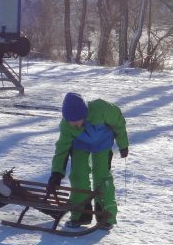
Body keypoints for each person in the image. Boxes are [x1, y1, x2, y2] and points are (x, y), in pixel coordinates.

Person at [47, 93, 129, 229]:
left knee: (102, 176)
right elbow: (62, 149)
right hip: (80, 145)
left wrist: (123, 144)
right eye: (70, 122)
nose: (74, 125)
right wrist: (56, 173)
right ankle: (81, 215)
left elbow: (119, 122)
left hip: (103, 143)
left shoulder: (102, 109)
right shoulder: (67, 126)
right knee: (78, 175)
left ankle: (106, 215)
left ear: (84, 114)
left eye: (77, 121)